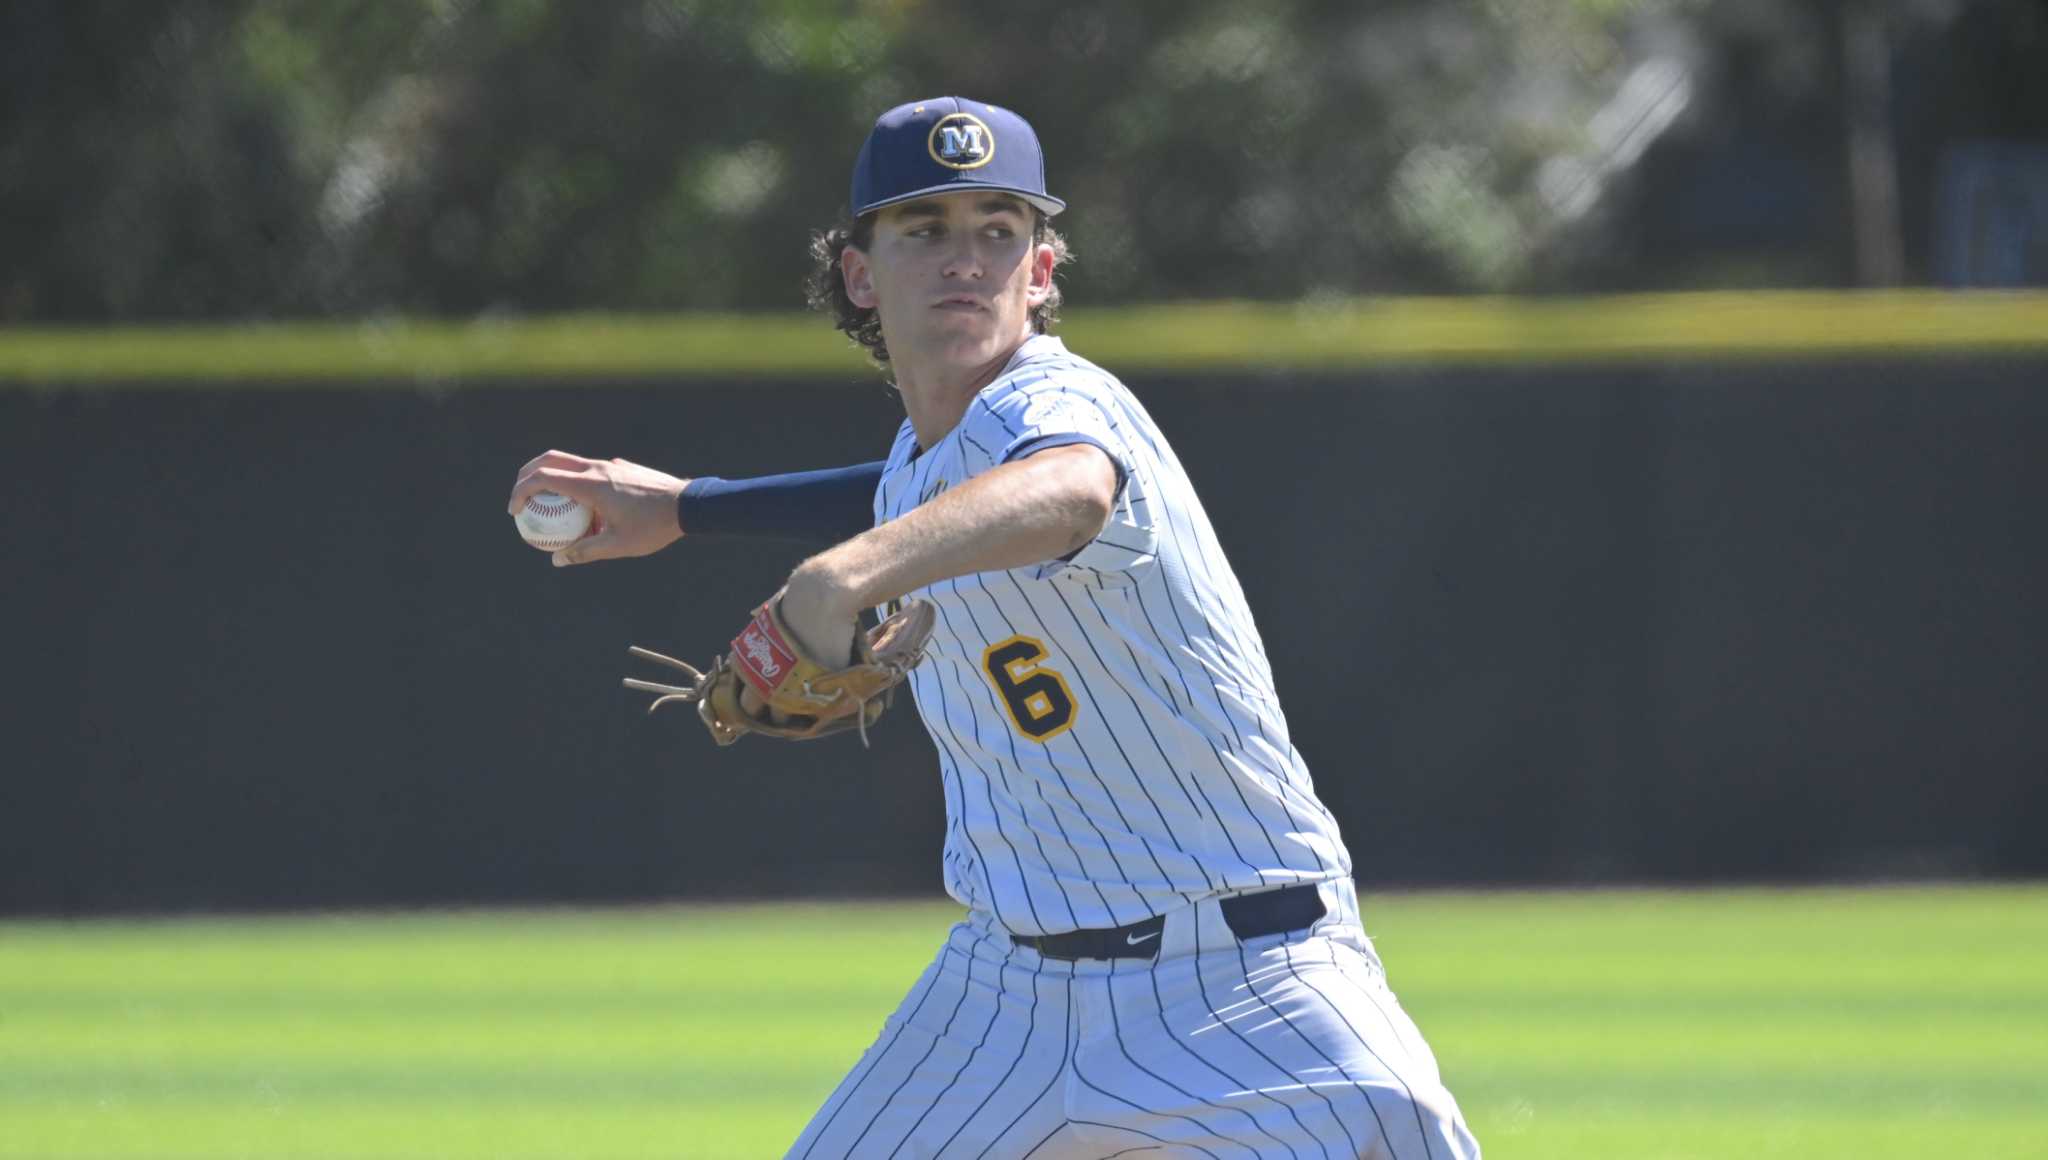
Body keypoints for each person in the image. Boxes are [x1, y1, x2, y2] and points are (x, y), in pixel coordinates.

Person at [509, 97, 1479, 1159]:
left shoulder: (1065, 404)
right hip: (1004, 994)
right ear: (860, 275)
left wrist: (840, 578)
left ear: (1042, 270)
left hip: (1247, 979)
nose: (965, 258)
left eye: (998, 230)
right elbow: (900, 488)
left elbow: (1068, 488)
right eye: (924, 230)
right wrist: (689, 506)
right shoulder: (928, 458)